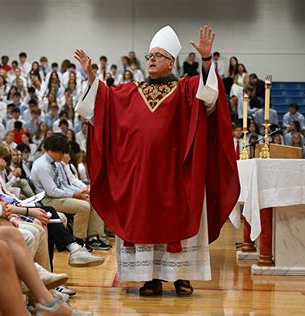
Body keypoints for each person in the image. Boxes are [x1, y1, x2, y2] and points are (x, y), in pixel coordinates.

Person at [74, 25, 239, 296]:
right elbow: (101, 103)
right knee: (143, 219)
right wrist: (91, 75)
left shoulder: (185, 88)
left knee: (181, 217)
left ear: (171, 62)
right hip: (141, 175)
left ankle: (181, 277)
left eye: (158, 56)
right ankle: (149, 278)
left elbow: (209, 99)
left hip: (177, 174)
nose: (151, 60)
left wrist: (206, 61)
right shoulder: (130, 91)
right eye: (150, 55)